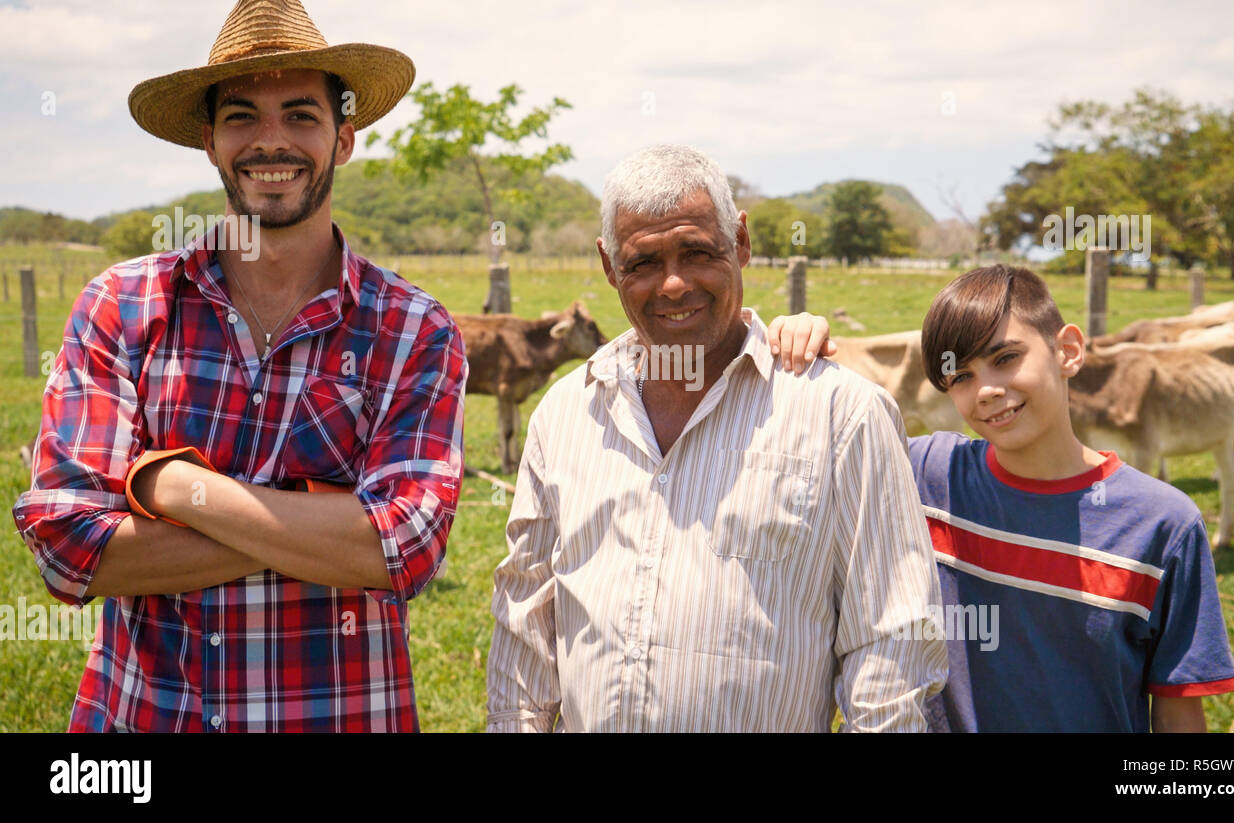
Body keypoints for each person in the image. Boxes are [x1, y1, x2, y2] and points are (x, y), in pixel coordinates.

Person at [12, 0, 466, 732]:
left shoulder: (414, 328)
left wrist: (172, 483)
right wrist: (319, 525)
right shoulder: (125, 305)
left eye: (301, 115)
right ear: (209, 141)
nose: (271, 141)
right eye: (242, 117)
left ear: (344, 139)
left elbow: (404, 545)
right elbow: (68, 545)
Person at [485, 144, 947, 732]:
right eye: (643, 263)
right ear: (608, 267)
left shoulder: (840, 414)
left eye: (698, 252)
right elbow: (527, 616)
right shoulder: (566, 415)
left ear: (742, 242)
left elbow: (892, 643)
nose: (674, 285)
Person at [771, 265, 1234, 732]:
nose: (987, 391)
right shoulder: (926, 474)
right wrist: (792, 340)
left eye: (1006, 358)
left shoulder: (1164, 524)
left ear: (1068, 351)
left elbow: (1178, 714)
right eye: (960, 377)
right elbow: (808, 462)